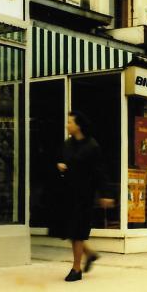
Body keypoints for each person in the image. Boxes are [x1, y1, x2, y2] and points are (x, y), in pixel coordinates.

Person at [48, 111, 115, 281]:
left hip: (84, 195)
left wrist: (105, 194)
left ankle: (76, 269)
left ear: (79, 125)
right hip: (67, 193)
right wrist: (60, 166)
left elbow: (100, 172)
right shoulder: (67, 144)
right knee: (70, 229)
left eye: (70, 122)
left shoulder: (92, 146)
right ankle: (90, 254)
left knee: (78, 231)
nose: (67, 125)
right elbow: (60, 161)